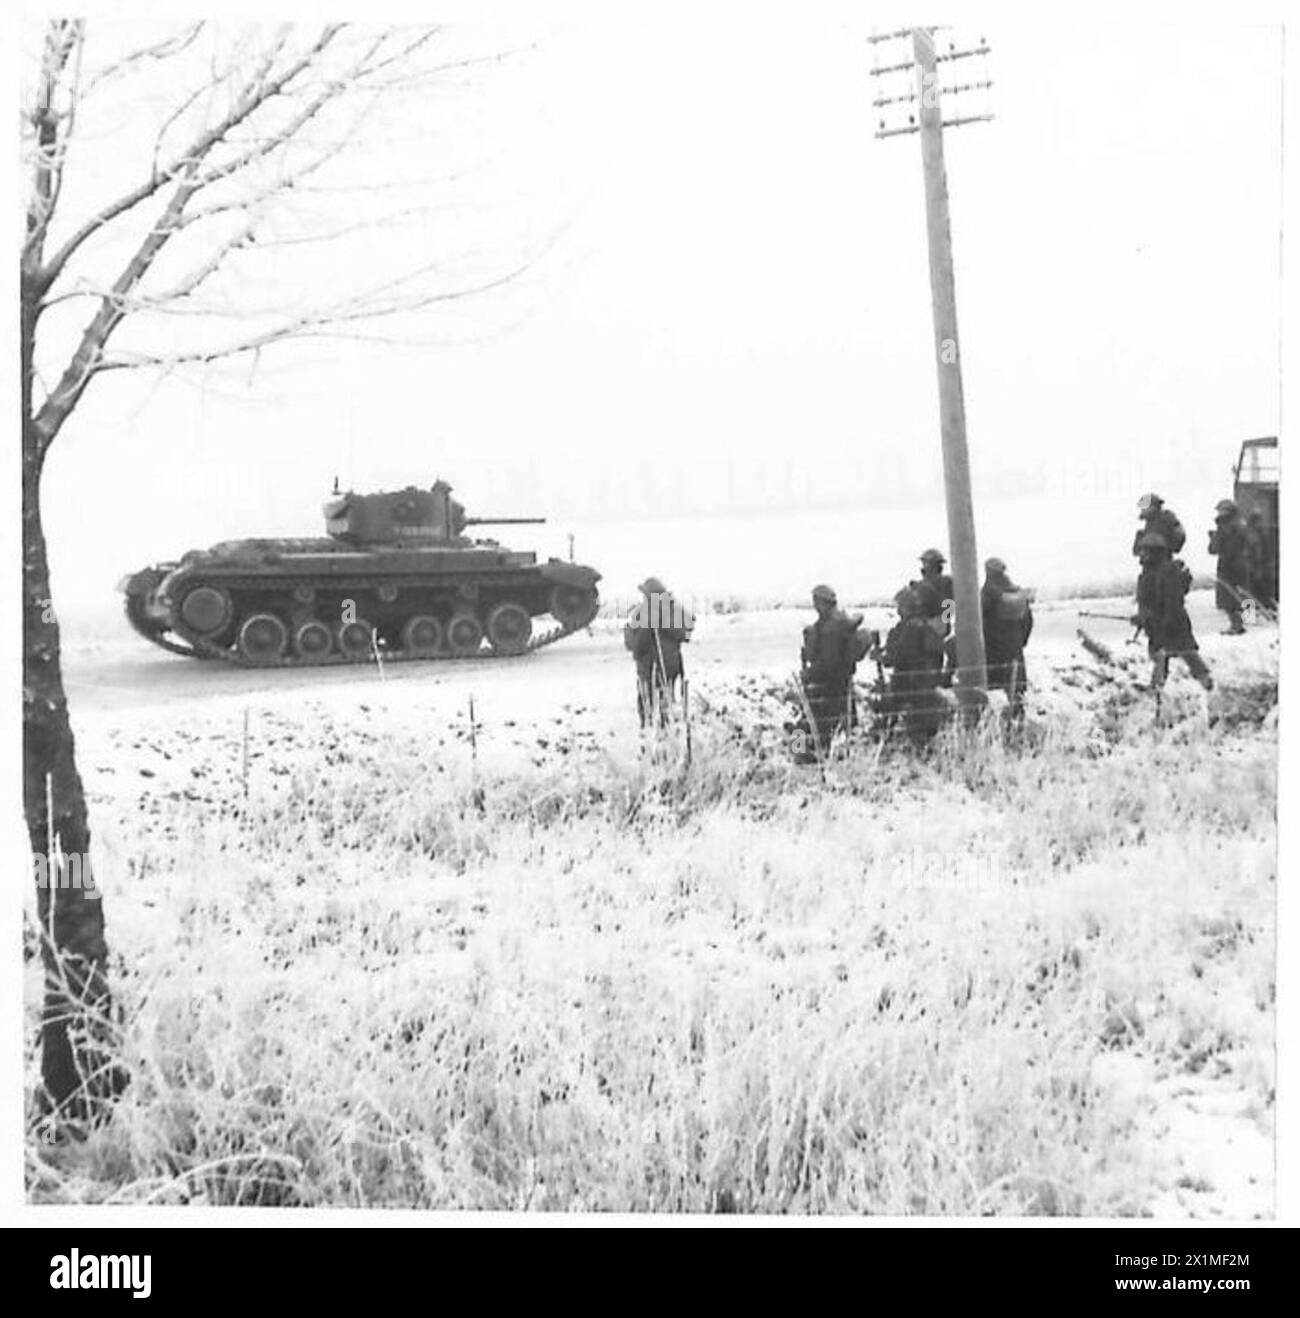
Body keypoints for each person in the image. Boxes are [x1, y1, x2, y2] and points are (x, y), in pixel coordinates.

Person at [795, 584, 870, 761]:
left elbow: (828, 662)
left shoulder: (830, 629)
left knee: (803, 725)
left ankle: (799, 757)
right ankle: (831, 755)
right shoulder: (840, 621)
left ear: (822, 603)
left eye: (816, 601)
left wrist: (809, 674)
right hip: (842, 682)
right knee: (837, 725)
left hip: (827, 684)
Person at [1134, 531, 1213, 692]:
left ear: (1155, 552)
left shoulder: (1168, 573)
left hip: (1171, 621)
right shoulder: (1150, 573)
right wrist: (1143, 616)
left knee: (1182, 652)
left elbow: (1172, 601)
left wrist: (1167, 620)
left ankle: (1206, 683)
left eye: (1145, 550)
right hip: (1160, 621)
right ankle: (1157, 685)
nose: (1141, 554)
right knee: (1162, 654)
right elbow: (1147, 600)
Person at [882, 586, 948, 747]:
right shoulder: (926, 626)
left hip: (908, 684)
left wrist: (882, 658)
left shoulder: (911, 627)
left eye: (899, 606)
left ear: (906, 607)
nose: (897, 610)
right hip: (926, 682)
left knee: (904, 722)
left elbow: (901, 656)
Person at [624, 576, 693, 727]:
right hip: (671, 667)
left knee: (647, 705)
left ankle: (649, 732)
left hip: (651, 668)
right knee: (665, 701)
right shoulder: (674, 609)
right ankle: (666, 730)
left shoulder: (647, 612)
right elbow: (687, 633)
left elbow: (636, 644)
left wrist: (629, 631)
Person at [980, 557, 1034, 716]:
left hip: (993, 653)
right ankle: (1018, 729)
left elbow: (977, 621)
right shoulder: (1017, 593)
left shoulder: (988, 593)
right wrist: (1020, 642)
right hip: (1015, 651)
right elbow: (1028, 622)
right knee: (1016, 696)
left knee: (993, 699)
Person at [1208, 499, 1250, 635]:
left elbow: (1218, 548)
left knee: (1228, 595)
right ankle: (1248, 619)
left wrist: (1214, 539)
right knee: (1243, 592)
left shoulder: (1227, 526)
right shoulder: (1239, 524)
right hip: (1240, 563)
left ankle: (1236, 625)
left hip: (1229, 564)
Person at [911, 548, 954, 636]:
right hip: (936, 624)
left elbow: (948, 608)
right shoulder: (922, 585)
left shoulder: (946, 583)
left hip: (935, 624)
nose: (924, 566)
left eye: (926, 563)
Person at [1131, 493, 1186, 557]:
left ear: (1153, 506)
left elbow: (1178, 535)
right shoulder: (1149, 525)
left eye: (1144, 507)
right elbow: (1136, 551)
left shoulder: (1165, 518)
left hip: (1162, 558)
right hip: (1151, 561)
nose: (1142, 510)